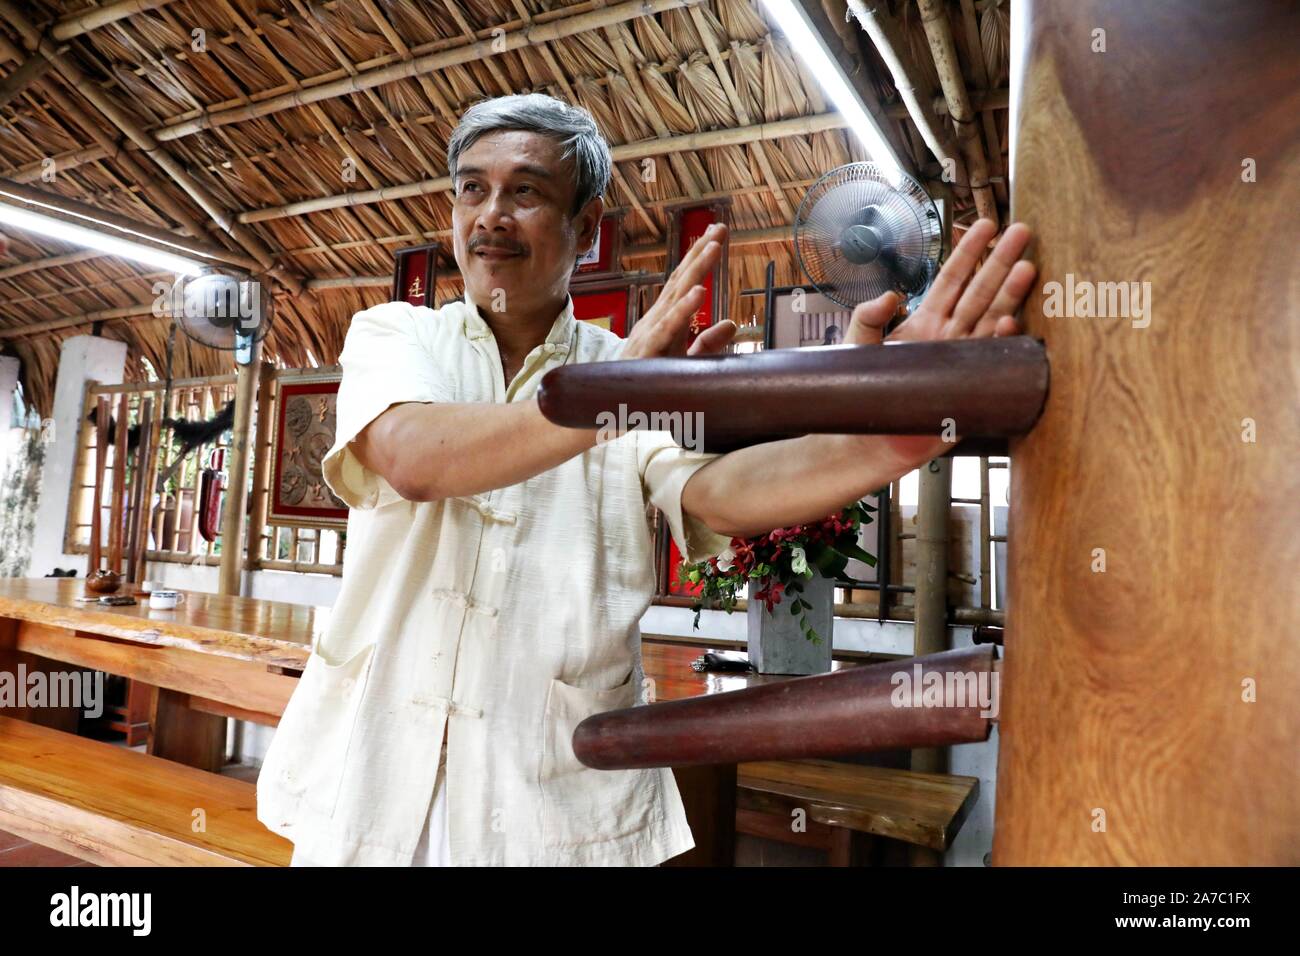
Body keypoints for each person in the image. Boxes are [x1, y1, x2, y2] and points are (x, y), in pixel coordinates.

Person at [256, 92, 1037, 866]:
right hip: (374, 784)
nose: (490, 214)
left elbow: (717, 493)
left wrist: (886, 436)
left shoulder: (626, 369)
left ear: (586, 226)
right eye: (472, 188)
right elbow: (415, 458)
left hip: (549, 804)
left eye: (525, 191)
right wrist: (613, 396)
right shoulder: (397, 333)